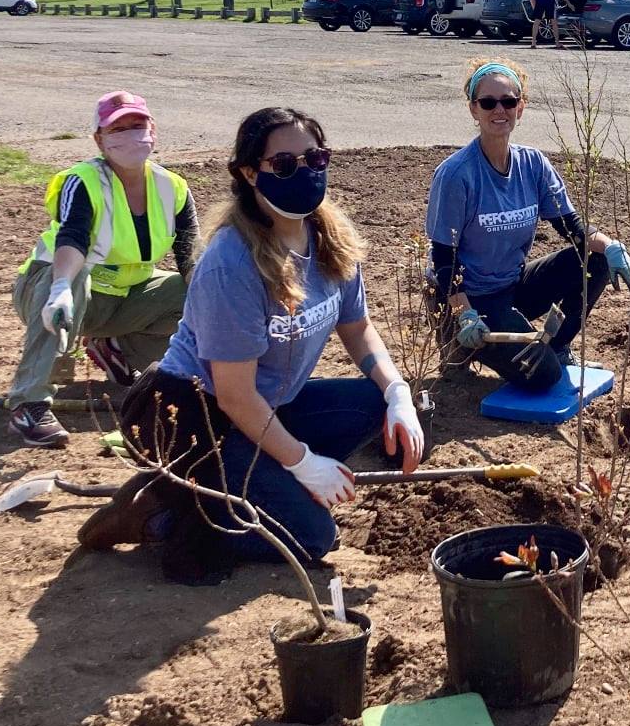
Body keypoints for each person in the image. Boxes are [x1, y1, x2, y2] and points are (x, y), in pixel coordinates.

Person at [83, 107, 423, 580]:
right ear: (249, 173)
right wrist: (304, 463)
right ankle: (158, 513)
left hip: (261, 409)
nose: (303, 172)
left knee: (371, 403)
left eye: (315, 158)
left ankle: (239, 484)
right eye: (283, 164)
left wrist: (397, 392)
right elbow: (234, 395)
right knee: (313, 539)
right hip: (193, 418)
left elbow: (357, 327)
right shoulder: (232, 263)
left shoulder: (329, 237)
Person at [5, 91, 197, 449]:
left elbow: (189, 258)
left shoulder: (173, 188)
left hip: (123, 297)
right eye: (117, 129)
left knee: (197, 293)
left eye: (137, 126)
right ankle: (28, 404)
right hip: (54, 292)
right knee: (73, 278)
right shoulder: (84, 181)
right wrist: (61, 284)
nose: (130, 136)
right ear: (99, 139)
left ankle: (122, 352)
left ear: (153, 130)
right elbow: (73, 240)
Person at [427, 61, 630, 384]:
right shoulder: (457, 175)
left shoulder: (533, 164)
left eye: (509, 101)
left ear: (520, 107)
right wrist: (463, 313)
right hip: (472, 298)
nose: (500, 109)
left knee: (595, 260)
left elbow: (572, 227)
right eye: (488, 102)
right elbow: (443, 259)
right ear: (473, 109)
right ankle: (458, 340)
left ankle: (557, 346)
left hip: (512, 285)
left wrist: (612, 247)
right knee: (545, 376)